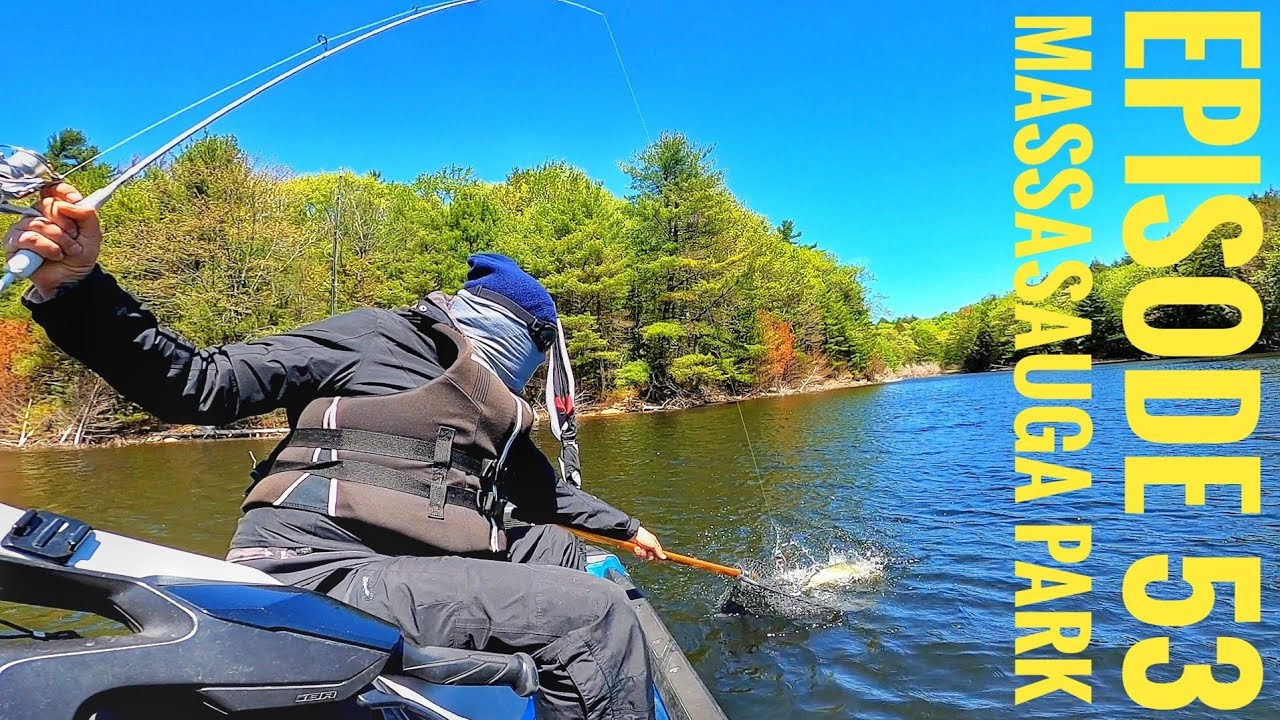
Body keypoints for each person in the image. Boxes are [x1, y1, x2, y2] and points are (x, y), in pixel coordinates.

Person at [5, 182, 669, 720]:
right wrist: (77, 289)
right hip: (319, 571)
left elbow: (543, 495)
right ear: (509, 336)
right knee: (596, 615)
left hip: (405, 563)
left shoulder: (494, 412)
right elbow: (201, 385)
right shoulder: (377, 339)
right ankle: (590, 660)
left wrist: (626, 527)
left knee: (559, 547)